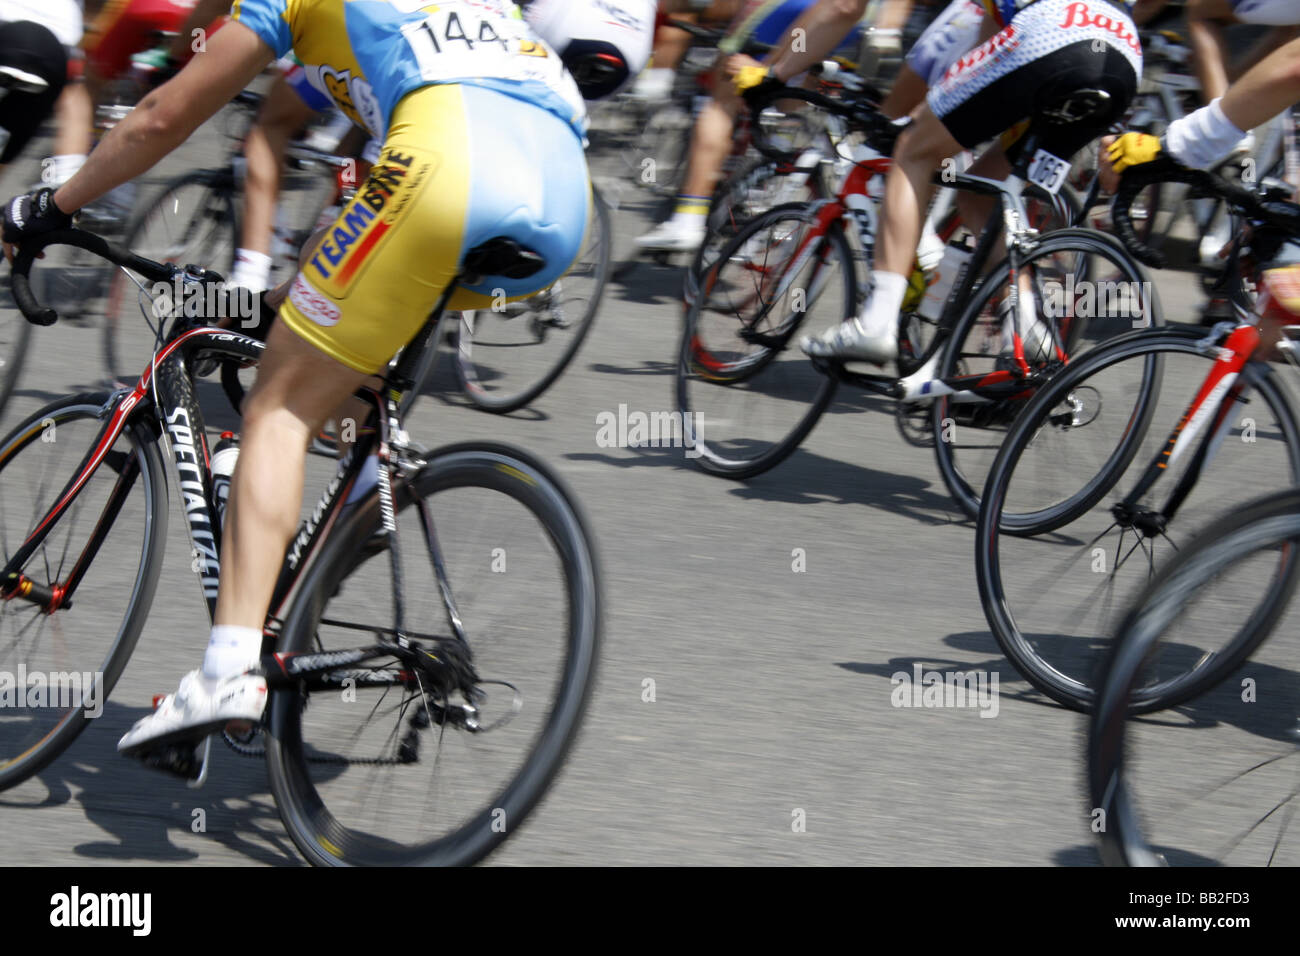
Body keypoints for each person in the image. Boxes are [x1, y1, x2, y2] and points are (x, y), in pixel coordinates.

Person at [4, 0, 595, 765]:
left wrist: (52, 206)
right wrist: (280, 301)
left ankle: (226, 672)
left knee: (278, 407)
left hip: (450, 165)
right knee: (327, 360)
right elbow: (368, 194)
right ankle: (343, 518)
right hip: (558, 200)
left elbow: (161, 115)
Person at [799, 0, 1143, 365]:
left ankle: (876, 322)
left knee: (913, 150)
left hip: (1051, 37)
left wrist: (928, 120)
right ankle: (1025, 324)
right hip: (1123, 58)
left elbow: (988, 48)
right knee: (981, 192)